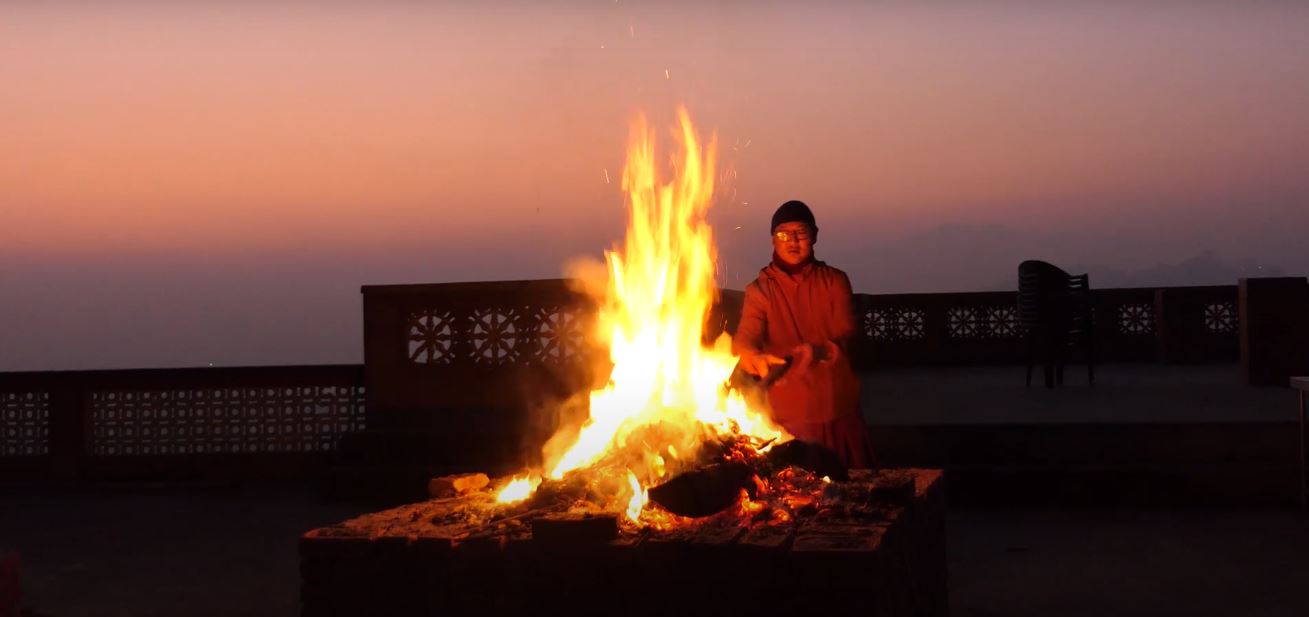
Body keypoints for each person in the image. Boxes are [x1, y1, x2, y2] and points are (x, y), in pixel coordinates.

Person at [732, 200, 875, 468]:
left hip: (837, 410)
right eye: (784, 234)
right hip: (790, 417)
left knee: (851, 495)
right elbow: (744, 341)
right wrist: (753, 358)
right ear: (773, 239)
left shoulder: (834, 281)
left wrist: (820, 351)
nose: (793, 241)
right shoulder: (761, 290)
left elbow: (849, 337)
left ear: (815, 236)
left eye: (801, 233)